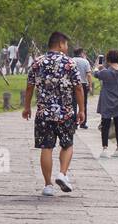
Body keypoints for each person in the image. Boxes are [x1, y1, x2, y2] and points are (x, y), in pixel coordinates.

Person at [22, 31, 85, 196]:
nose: (67, 47)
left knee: (46, 147)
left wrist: (27, 107)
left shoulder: (38, 62)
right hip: (65, 112)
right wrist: (82, 110)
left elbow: (30, 86)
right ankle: (62, 174)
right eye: (66, 44)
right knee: (67, 144)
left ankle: (48, 185)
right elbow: (78, 87)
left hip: (44, 113)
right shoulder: (69, 63)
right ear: (60, 44)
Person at [94, 50, 118, 156]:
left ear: (108, 60)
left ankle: (105, 149)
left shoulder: (105, 73)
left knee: (105, 125)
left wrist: (97, 66)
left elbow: (96, 74)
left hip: (107, 102)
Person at [71, 47, 93, 129]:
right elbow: (89, 75)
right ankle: (83, 123)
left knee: (73, 104)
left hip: (72, 85)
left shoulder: (71, 61)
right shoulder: (85, 61)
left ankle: (74, 123)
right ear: (81, 53)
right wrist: (90, 86)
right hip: (83, 85)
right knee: (83, 104)